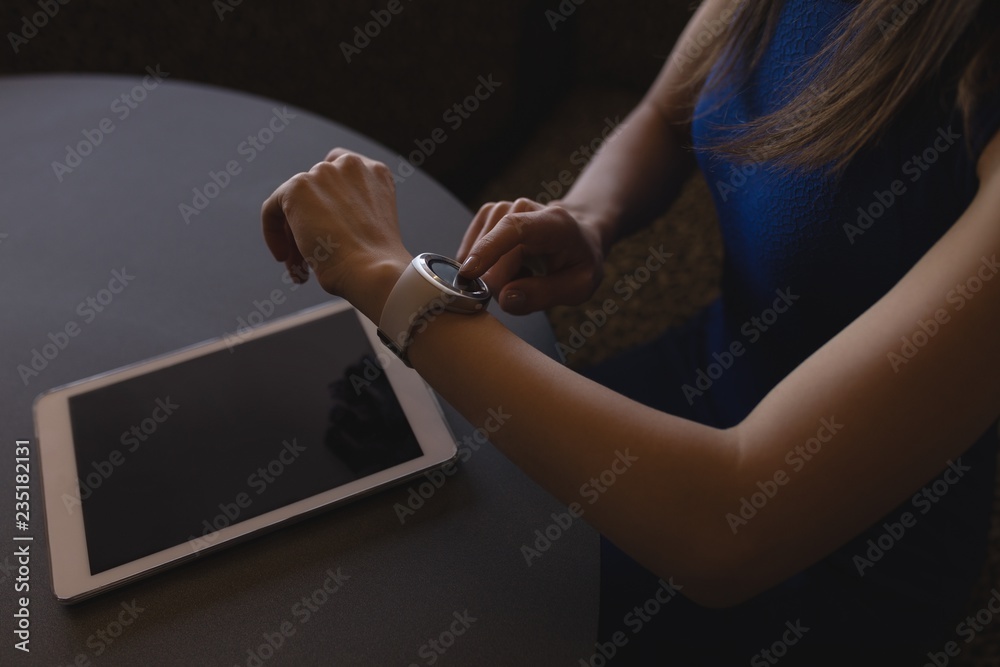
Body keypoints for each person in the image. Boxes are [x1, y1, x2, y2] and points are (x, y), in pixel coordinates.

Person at [260, 0, 1000, 662]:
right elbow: (667, 117)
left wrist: (393, 286)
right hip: (707, 370)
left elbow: (725, 529)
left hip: (828, 549)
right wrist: (589, 217)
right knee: (373, 515)